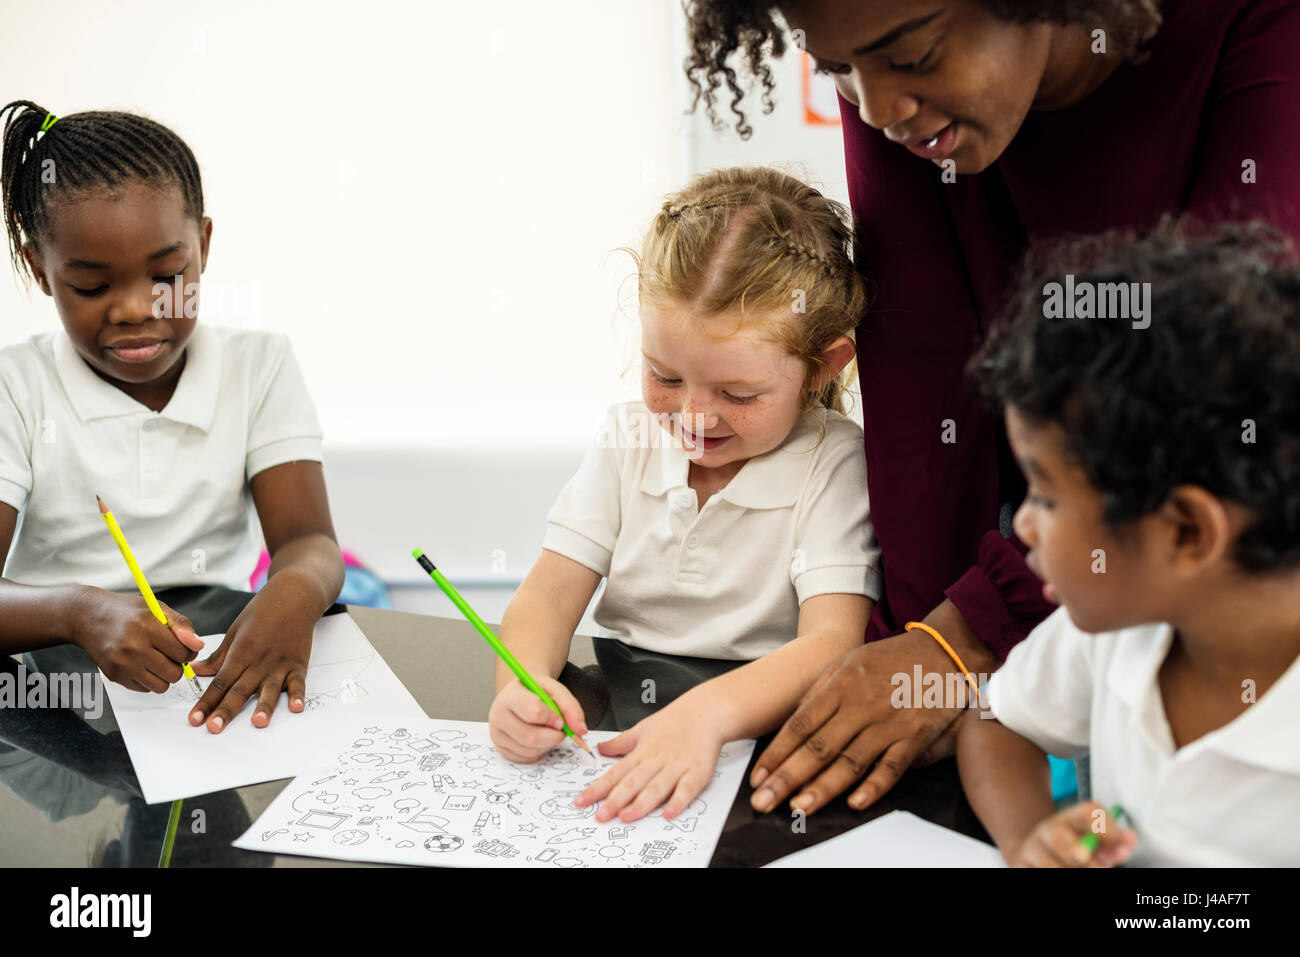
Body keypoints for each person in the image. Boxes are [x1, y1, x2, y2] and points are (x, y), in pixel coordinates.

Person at [683, 0, 1300, 815]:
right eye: (835, 68)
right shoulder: (891, 79)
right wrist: (916, 645)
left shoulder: (1260, 26)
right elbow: (921, 373)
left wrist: (969, 635)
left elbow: (1225, 393)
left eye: (912, 55)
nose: (874, 109)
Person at [487, 166, 881, 822]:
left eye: (738, 393)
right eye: (665, 375)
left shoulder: (832, 461)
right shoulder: (628, 437)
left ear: (823, 367)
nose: (695, 416)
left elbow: (833, 644)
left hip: (760, 735)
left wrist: (707, 714)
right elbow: (551, 590)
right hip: (616, 723)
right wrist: (520, 683)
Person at [958, 221, 1300, 866]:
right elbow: (996, 722)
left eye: (1047, 497)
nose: (1022, 526)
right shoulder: (1115, 629)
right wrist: (1030, 838)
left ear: (1186, 531)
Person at [0, 101, 344, 732]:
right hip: (45, 696)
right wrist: (79, 612)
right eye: (93, 287)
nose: (135, 309)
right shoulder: (14, 387)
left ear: (203, 245)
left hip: (207, 672)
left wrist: (293, 592)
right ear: (38, 269)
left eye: (166, 274)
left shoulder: (258, 364)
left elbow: (308, 542)